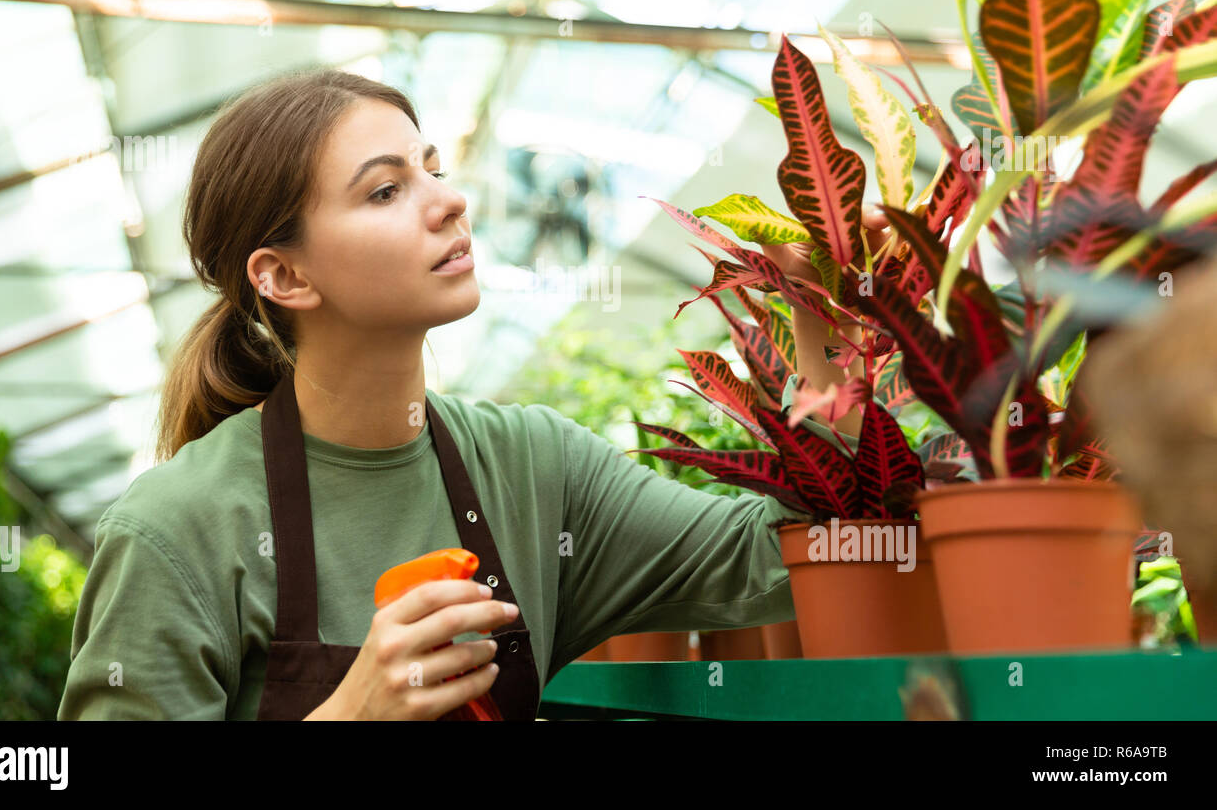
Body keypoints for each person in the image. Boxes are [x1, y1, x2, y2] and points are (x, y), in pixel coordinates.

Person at [57, 68, 885, 720]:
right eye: (386, 191)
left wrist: (815, 313)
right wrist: (354, 714)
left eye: (434, 170)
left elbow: (786, 556)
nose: (450, 201)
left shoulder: (534, 468)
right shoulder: (176, 530)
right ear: (284, 275)